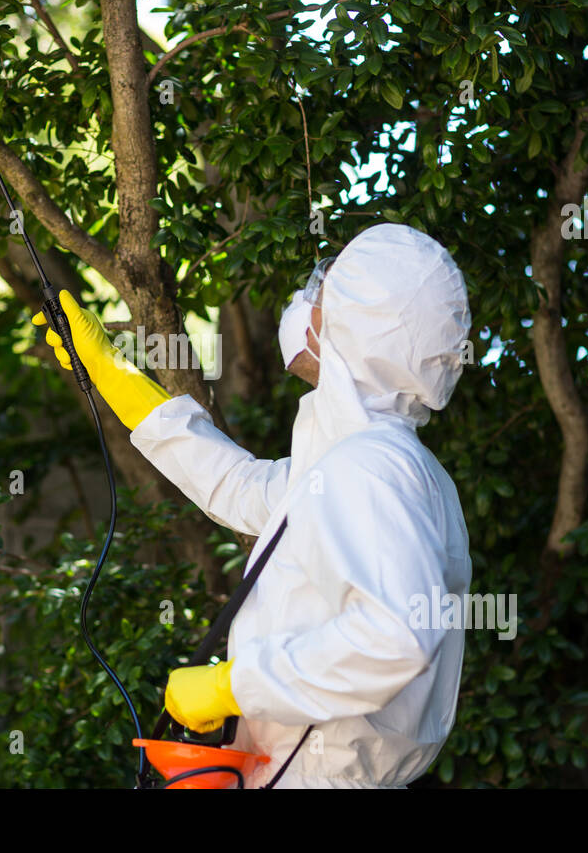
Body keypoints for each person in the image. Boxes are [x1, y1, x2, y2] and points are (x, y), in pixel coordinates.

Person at [32, 222, 472, 788]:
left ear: (356, 328)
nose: (306, 301)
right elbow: (239, 486)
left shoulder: (371, 471)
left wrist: (232, 686)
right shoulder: (370, 465)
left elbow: (394, 638)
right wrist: (114, 374)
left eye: (324, 290)